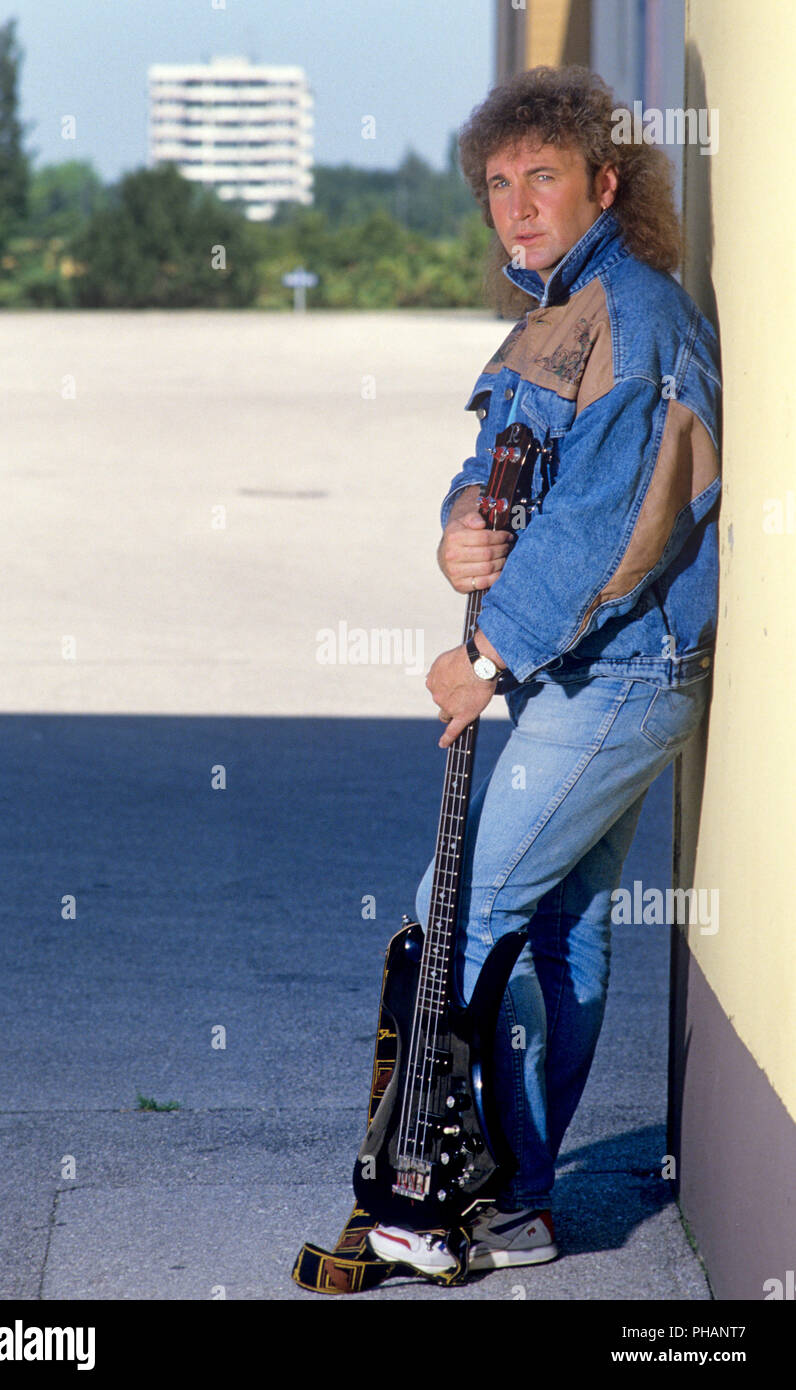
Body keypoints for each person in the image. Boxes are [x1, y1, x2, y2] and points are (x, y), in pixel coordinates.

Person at [367, 65, 721, 1278]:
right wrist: (458, 520)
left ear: (604, 185)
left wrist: (484, 652)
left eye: (544, 178)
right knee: (561, 930)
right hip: (588, 669)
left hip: (622, 670)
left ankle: (436, 1191)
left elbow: (602, 536)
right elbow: (503, 476)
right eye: (500, 184)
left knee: (452, 913)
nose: (518, 205)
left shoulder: (638, 317)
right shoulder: (551, 319)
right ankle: (517, 1201)